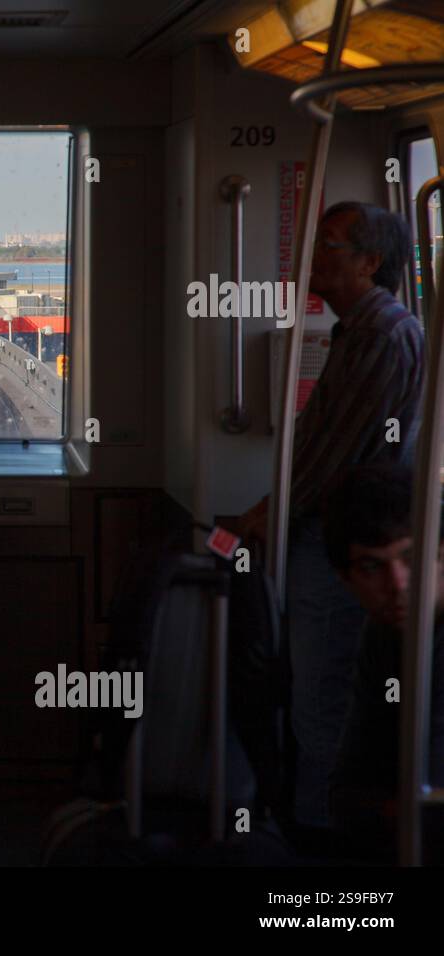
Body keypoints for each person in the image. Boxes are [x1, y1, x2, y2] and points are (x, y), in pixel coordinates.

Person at [241, 202, 423, 829]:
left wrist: (270, 513)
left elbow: (337, 452)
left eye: (331, 246)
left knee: (322, 697)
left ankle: (320, 845)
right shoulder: (360, 330)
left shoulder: (380, 334)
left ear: (371, 263)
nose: (313, 257)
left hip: (341, 537)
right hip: (327, 529)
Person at [324, 465, 444, 861]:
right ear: (347, 580)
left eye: (412, 557)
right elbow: (347, 789)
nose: (398, 583)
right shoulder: (383, 636)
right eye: (373, 567)